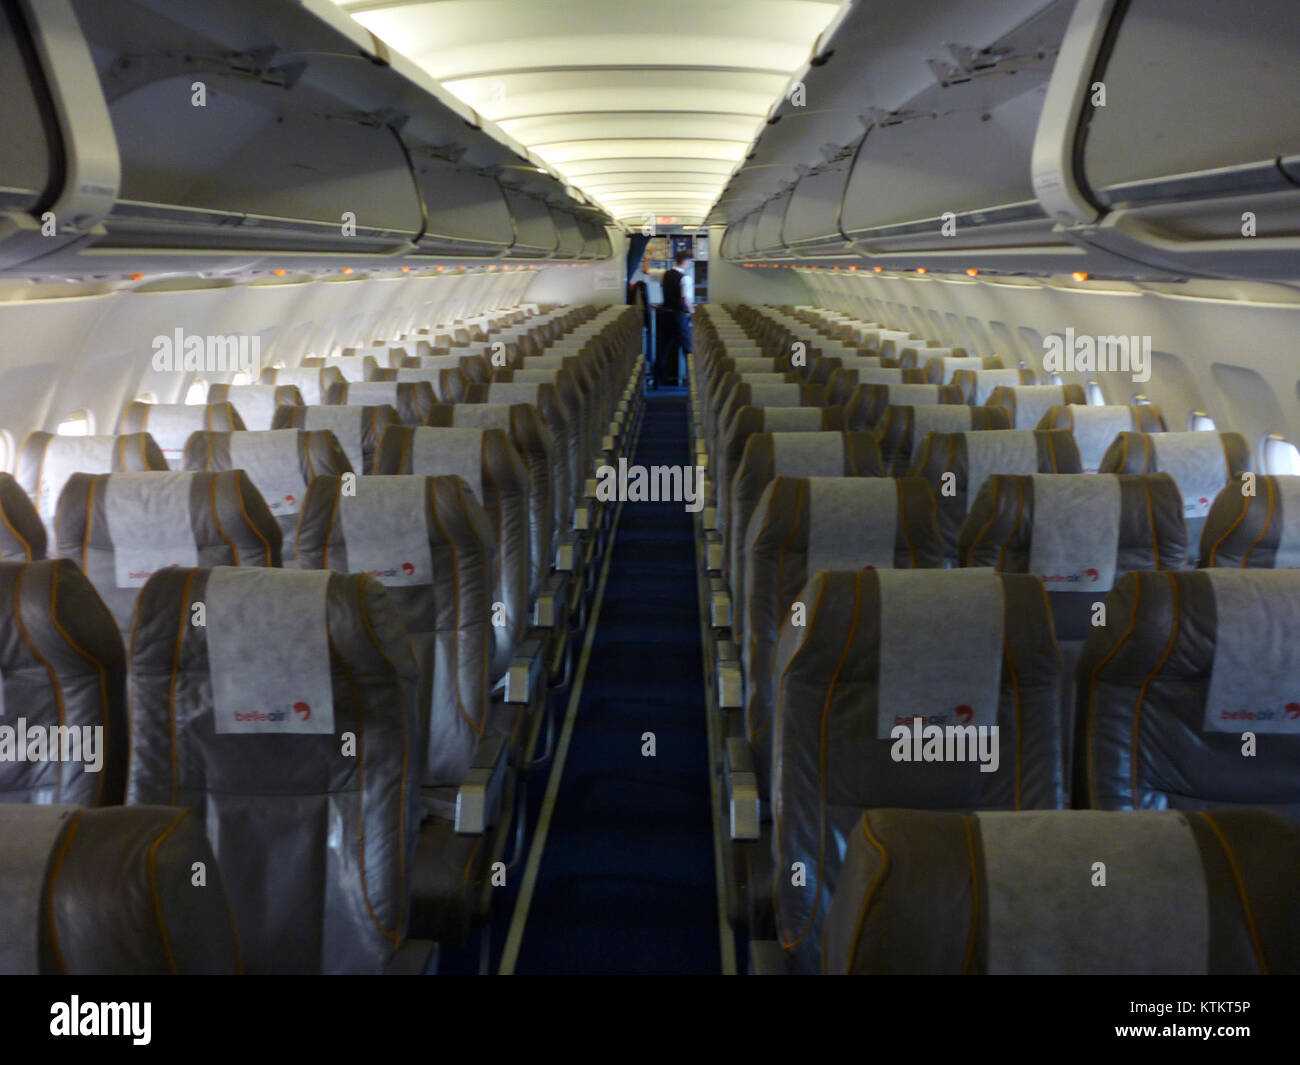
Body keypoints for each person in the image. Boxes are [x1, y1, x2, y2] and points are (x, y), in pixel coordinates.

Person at [656, 249, 693, 387]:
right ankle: (693, 379)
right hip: (678, 316)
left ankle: (658, 381)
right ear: (685, 261)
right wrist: (693, 312)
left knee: (663, 349)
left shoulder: (665, 274)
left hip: (664, 315)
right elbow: (685, 299)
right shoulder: (685, 278)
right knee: (687, 348)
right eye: (689, 261)